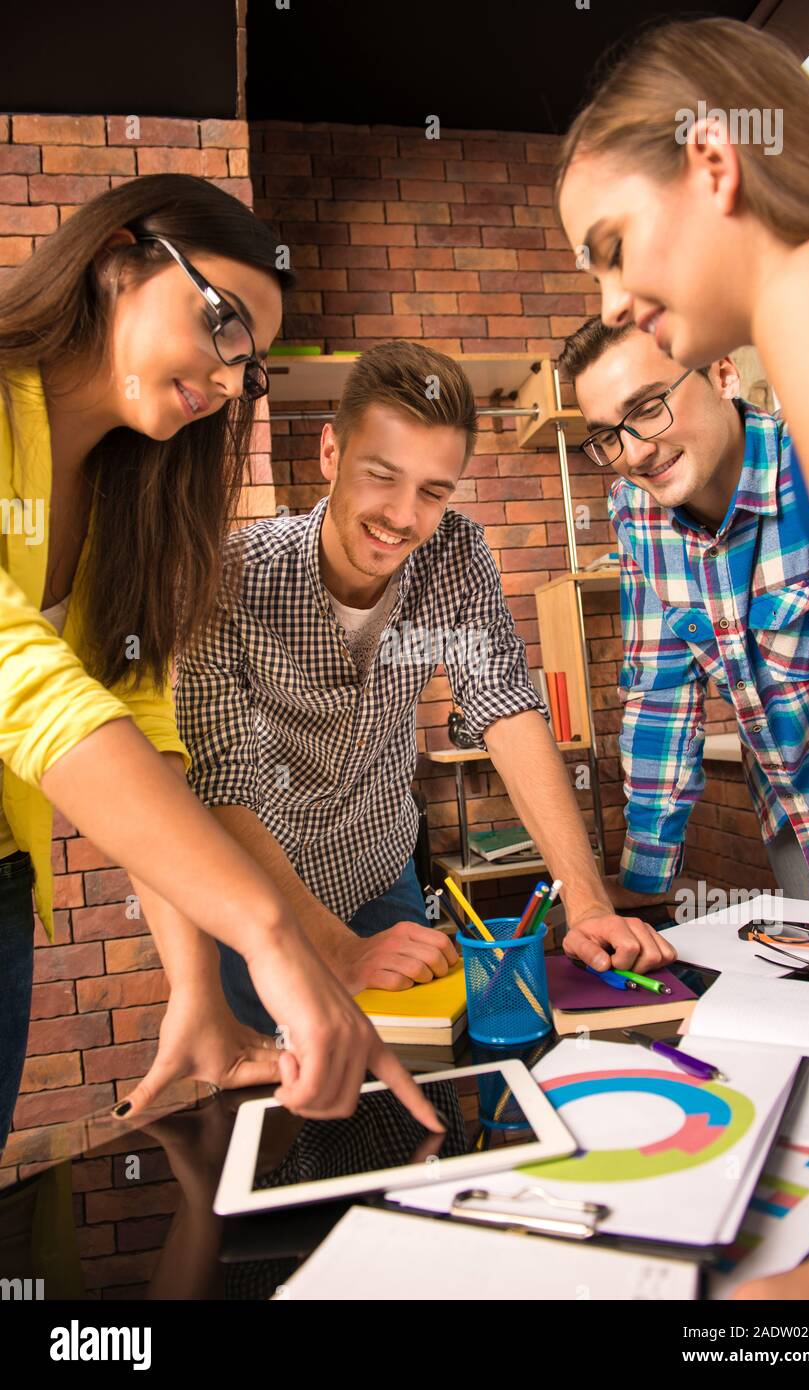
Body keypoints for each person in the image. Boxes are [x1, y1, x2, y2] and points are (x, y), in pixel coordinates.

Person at [0, 173, 441, 1152]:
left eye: (254, 361)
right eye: (224, 324)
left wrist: (198, 991)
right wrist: (277, 935)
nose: (237, 375)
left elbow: (148, 728)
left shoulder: (129, 496)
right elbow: (21, 679)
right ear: (121, 258)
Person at [554, 14, 809, 1300]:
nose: (616, 298)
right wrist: (626, 899)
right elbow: (663, 713)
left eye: (612, 247)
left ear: (714, 162)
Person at [171, 339, 676, 1038]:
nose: (403, 517)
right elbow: (217, 786)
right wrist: (336, 949)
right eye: (382, 476)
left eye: (433, 491)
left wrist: (586, 903)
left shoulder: (457, 554)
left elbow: (503, 707)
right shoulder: (229, 577)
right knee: (285, 1097)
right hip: (263, 896)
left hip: (383, 874)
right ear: (330, 454)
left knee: (420, 1089)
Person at [559, 316, 809, 907]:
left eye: (649, 407)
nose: (635, 453)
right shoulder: (636, 513)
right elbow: (659, 696)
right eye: (608, 436)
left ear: (724, 373)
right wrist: (643, 888)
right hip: (803, 826)